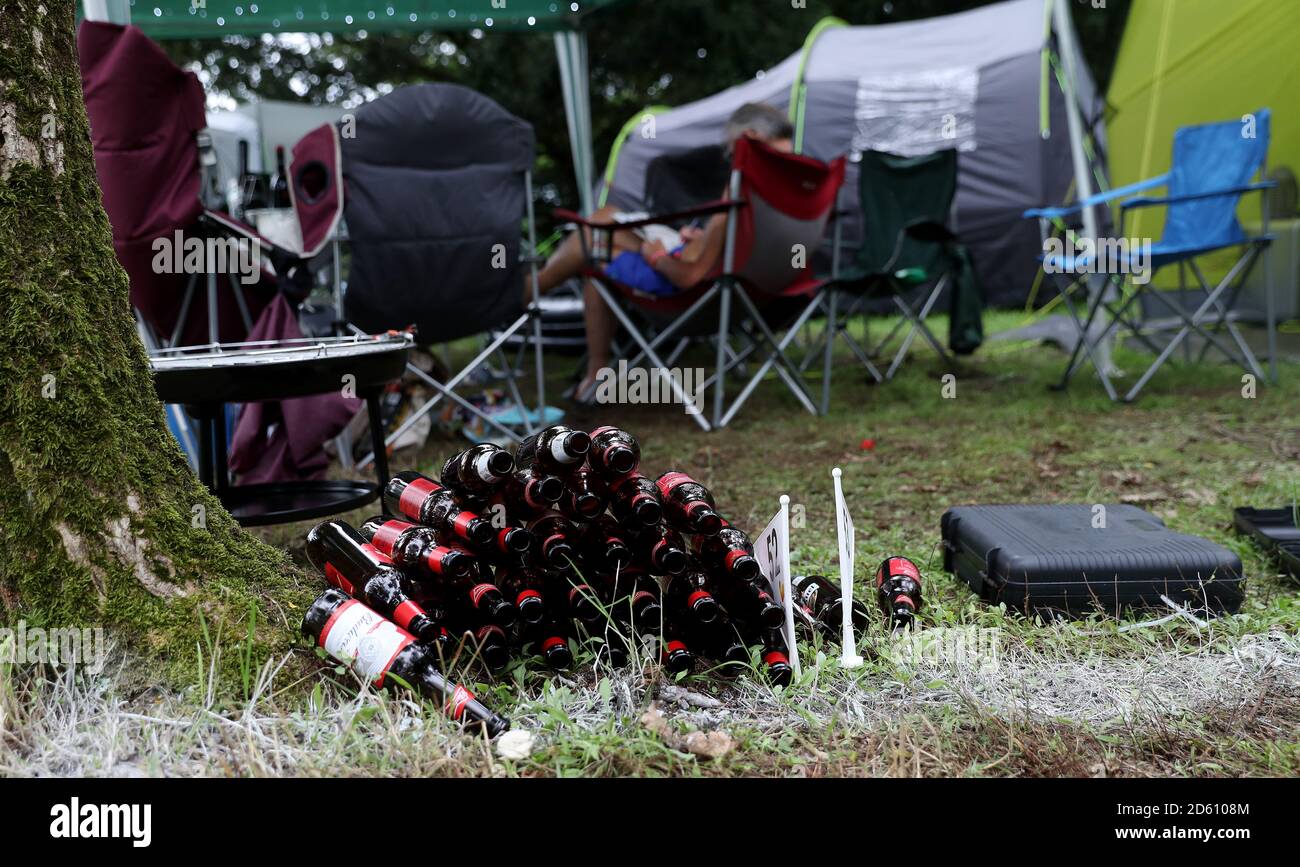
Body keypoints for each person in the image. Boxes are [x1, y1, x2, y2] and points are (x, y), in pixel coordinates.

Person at [524, 103, 795, 400]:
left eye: (732, 150)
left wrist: (654, 255)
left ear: (750, 138)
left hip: (699, 296)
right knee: (604, 228)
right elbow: (733, 244)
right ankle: (591, 368)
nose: (731, 157)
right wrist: (702, 238)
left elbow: (688, 276)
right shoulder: (791, 181)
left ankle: (531, 294)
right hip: (754, 293)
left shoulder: (741, 187)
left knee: (596, 235)